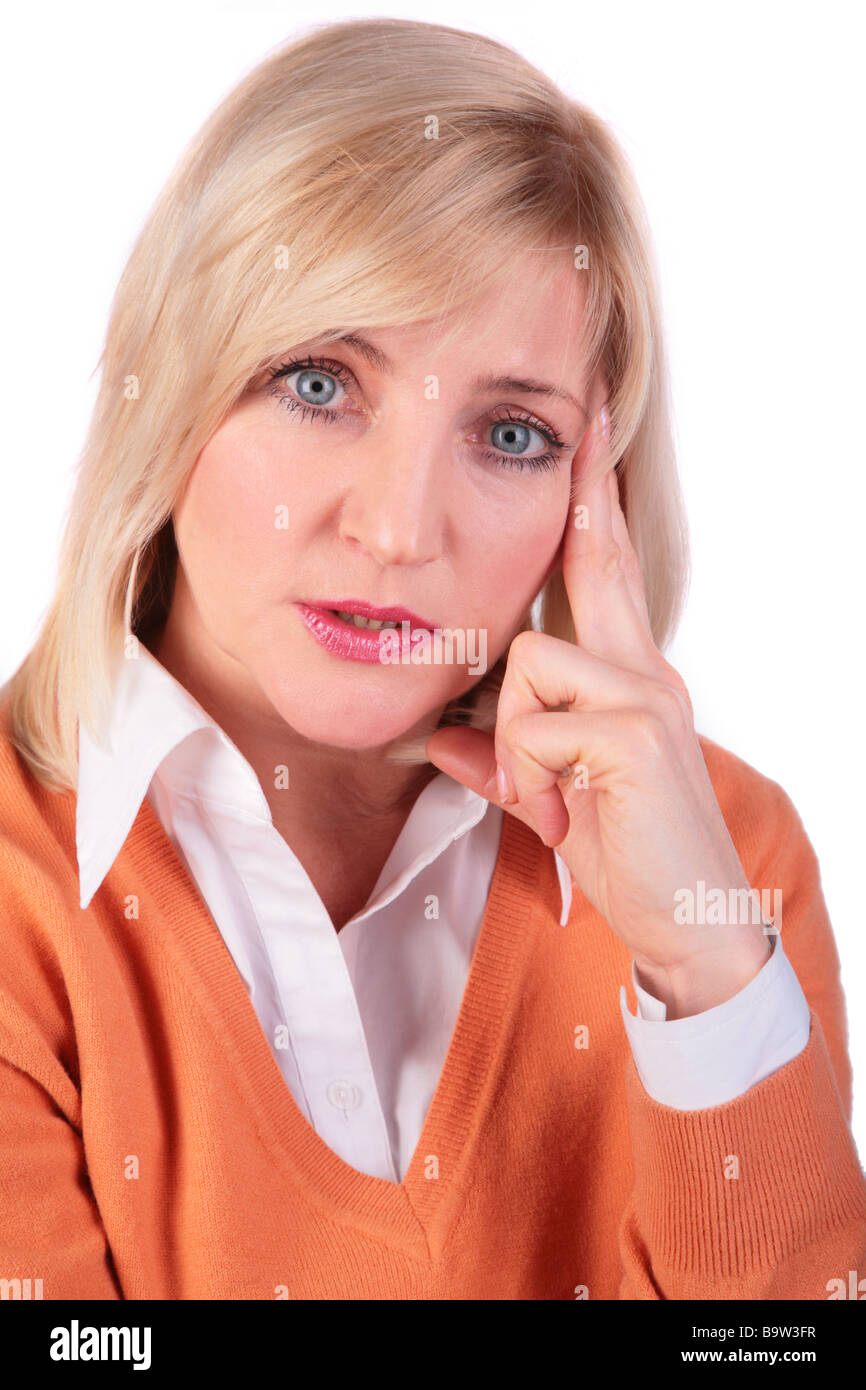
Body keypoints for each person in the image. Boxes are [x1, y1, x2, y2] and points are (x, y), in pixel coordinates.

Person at [1, 16, 864, 1301]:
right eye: (315, 382)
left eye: (510, 433)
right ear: (173, 382)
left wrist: (700, 973)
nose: (398, 531)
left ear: (598, 491)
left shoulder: (722, 866)